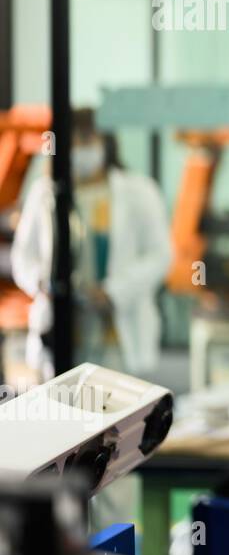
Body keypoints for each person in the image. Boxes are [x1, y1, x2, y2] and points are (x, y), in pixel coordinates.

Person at [12, 107, 172, 376]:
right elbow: (22, 259)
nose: (78, 149)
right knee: (63, 406)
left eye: (86, 140)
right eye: (71, 141)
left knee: (116, 407)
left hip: (117, 331)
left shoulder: (139, 192)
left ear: (106, 142)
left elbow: (160, 256)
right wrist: (44, 282)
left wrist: (114, 291)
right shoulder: (46, 192)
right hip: (63, 327)